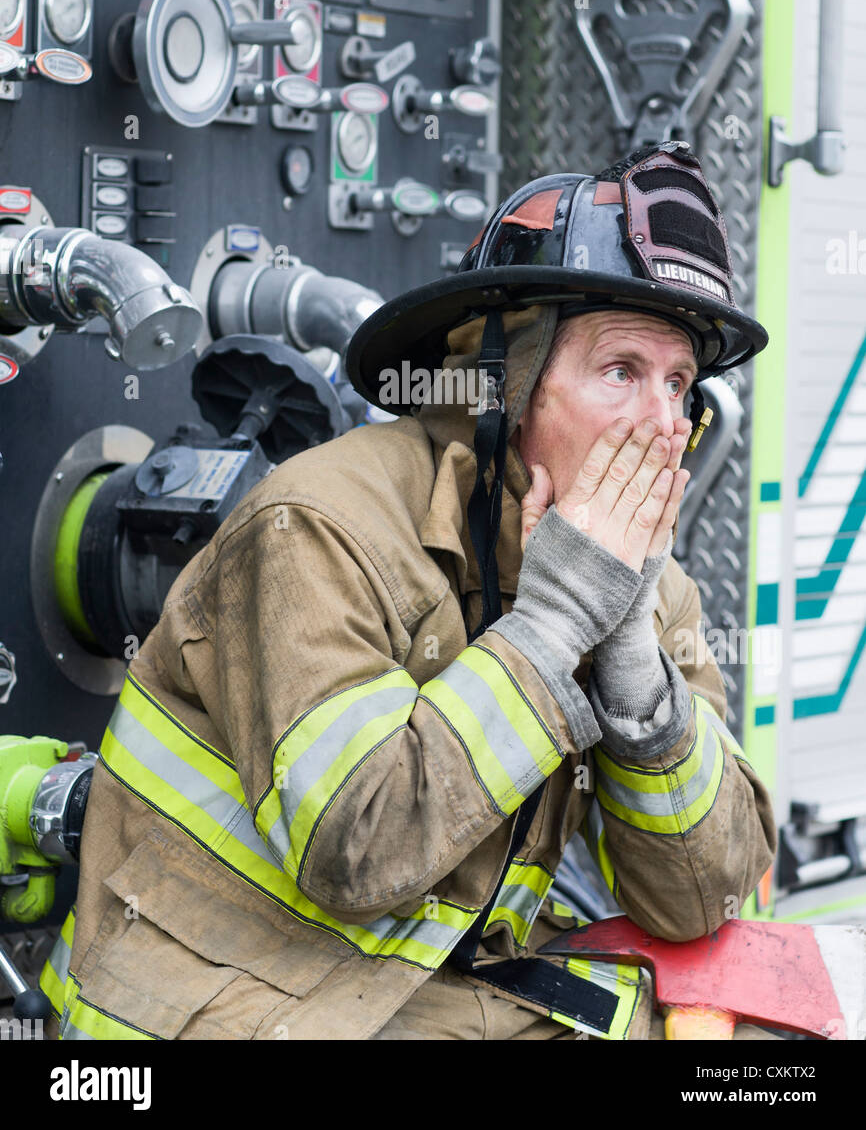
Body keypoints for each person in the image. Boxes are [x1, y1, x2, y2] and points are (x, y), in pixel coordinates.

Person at [41, 140, 777, 1040]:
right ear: (500, 387)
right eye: (621, 371)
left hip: (428, 991)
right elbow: (359, 848)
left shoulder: (653, 594)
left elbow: (706, 897)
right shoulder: (317, 527)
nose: (665, 427)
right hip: (219, 1006)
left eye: (681, 386)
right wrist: (554, 628)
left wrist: (631, 663)